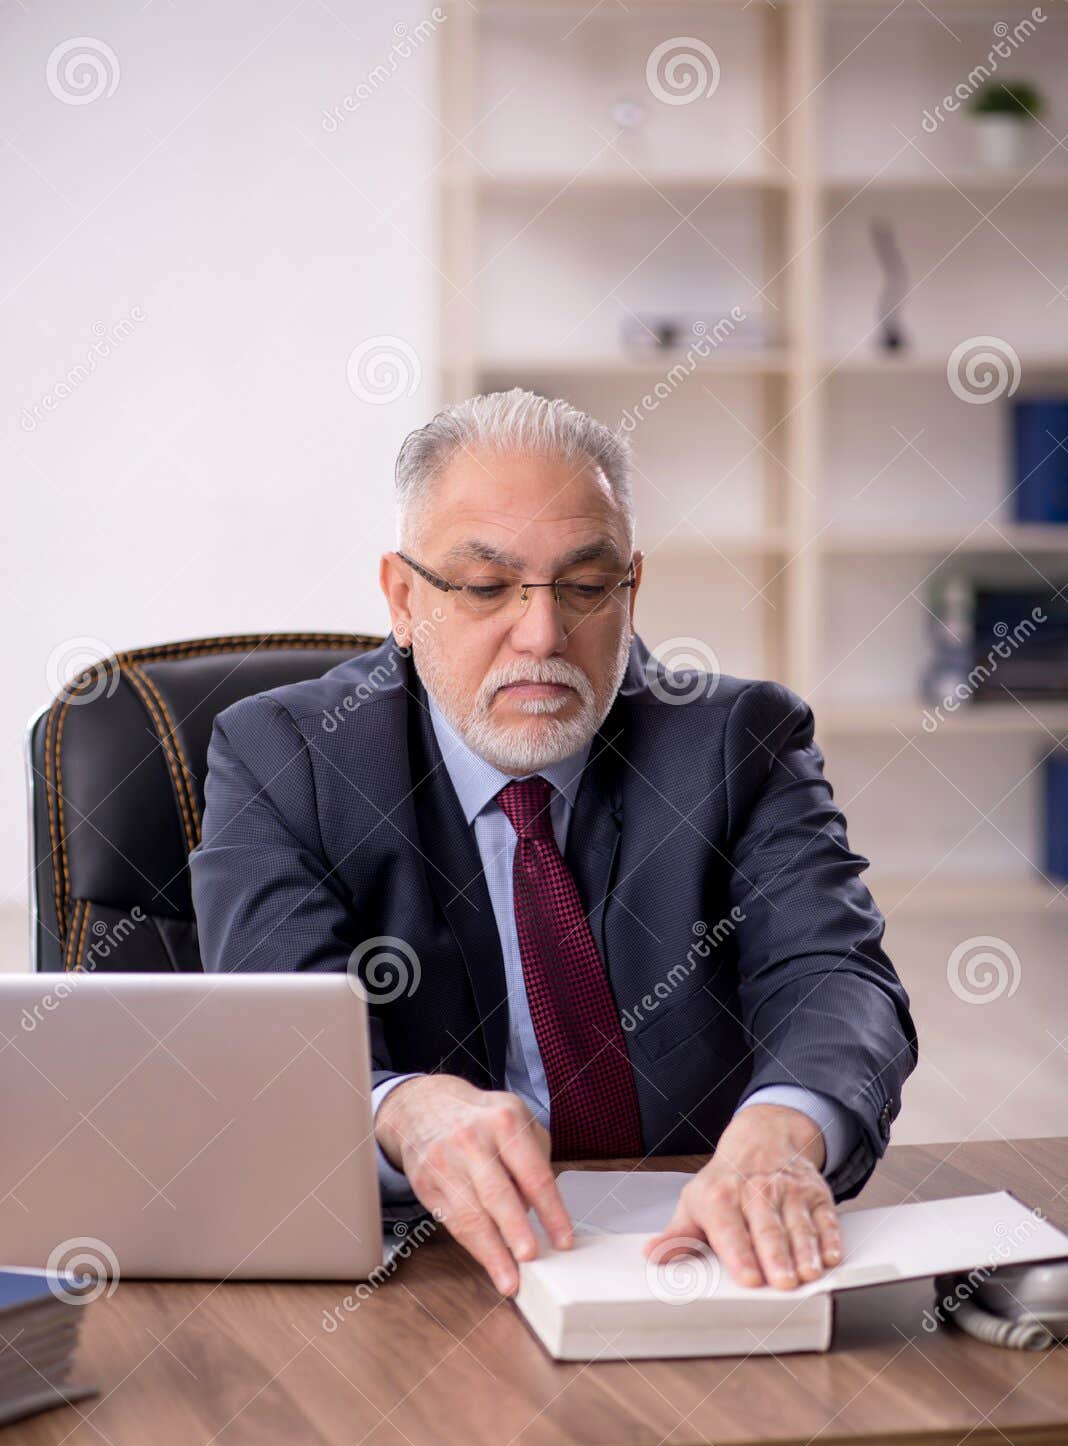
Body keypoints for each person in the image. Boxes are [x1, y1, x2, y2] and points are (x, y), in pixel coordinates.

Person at [190, 388, 917, 1299]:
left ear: (632, 589)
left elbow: (837, 978)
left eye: (583, 586)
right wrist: (404, 1111)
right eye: (488, 587)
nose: (542, 635)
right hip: (413, 1272)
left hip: (696, 1258)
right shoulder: (282, 755)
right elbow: (275, 1040)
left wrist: (781, 1134)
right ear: (404, 598)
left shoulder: (738, 741)